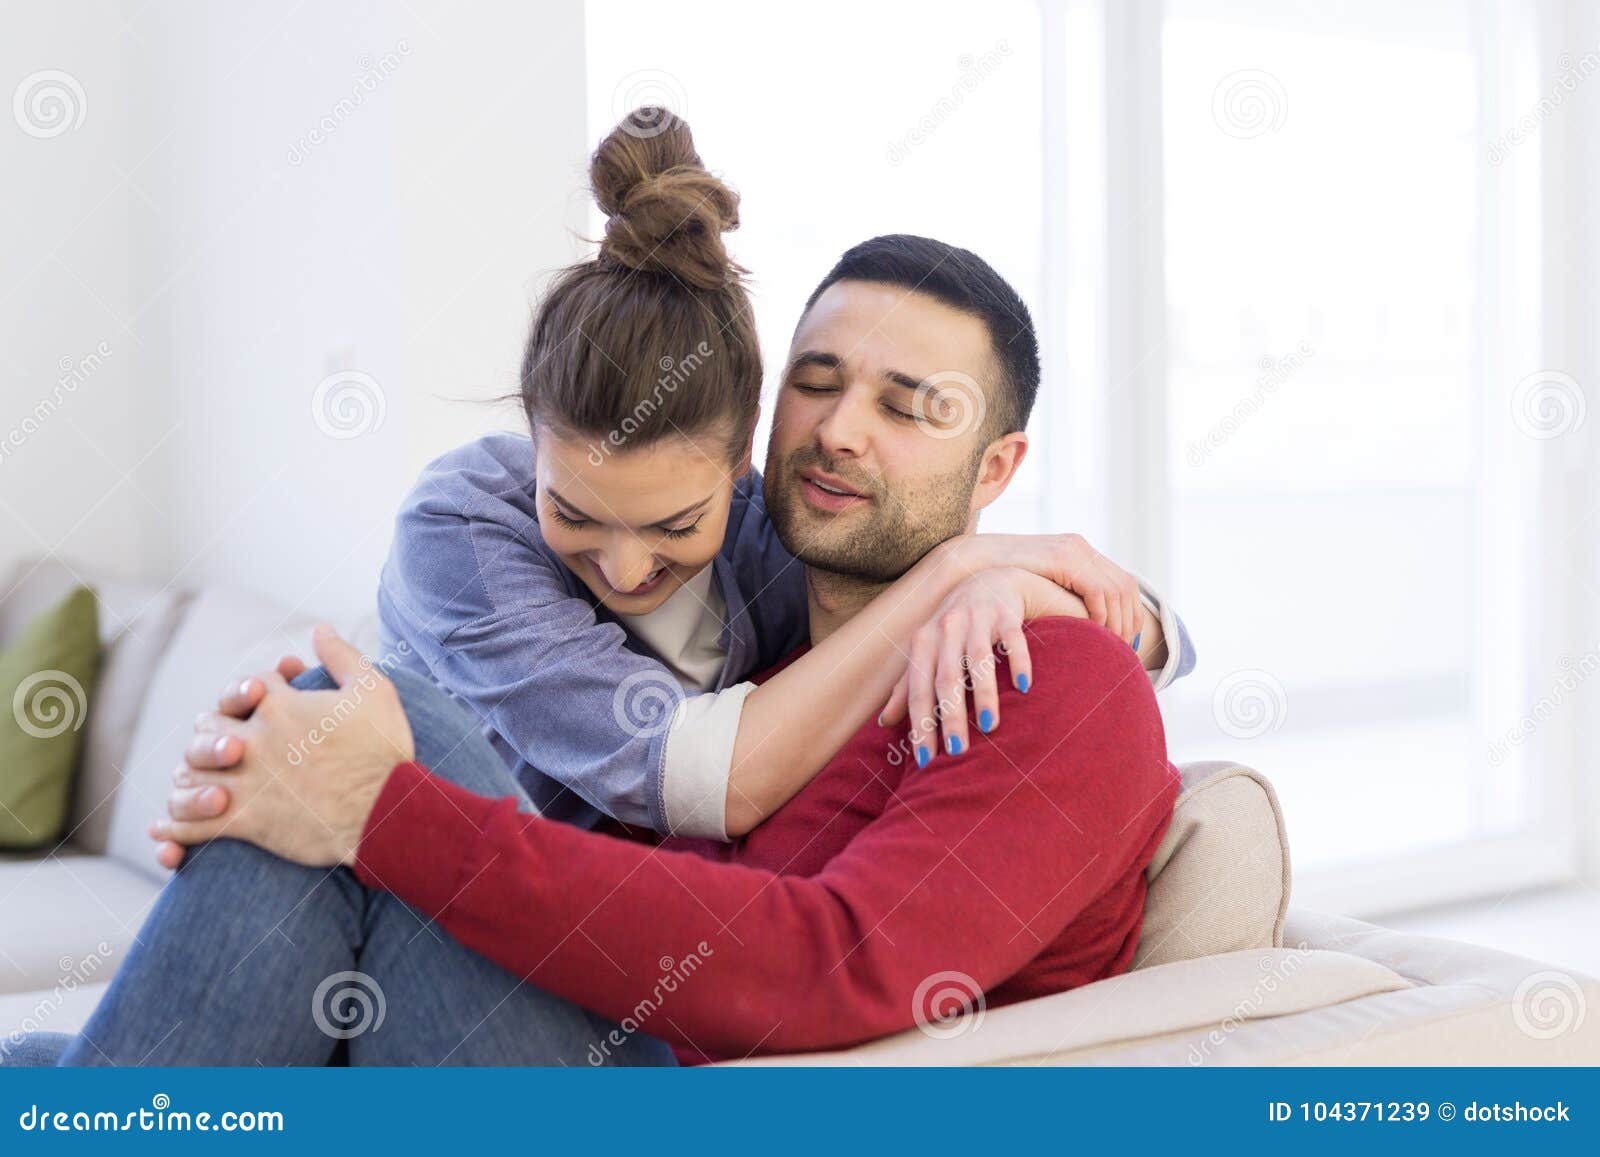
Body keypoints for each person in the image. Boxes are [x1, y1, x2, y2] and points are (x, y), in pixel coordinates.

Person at [6, 228, 1180, 1067]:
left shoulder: (1060, 678)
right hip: (585, 1039)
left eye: (910, 405)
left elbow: (831, 964)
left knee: (369, 725)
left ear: (997, 471)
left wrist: (381, 812)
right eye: (816, 386)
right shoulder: (773, 643)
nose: (840, 429)